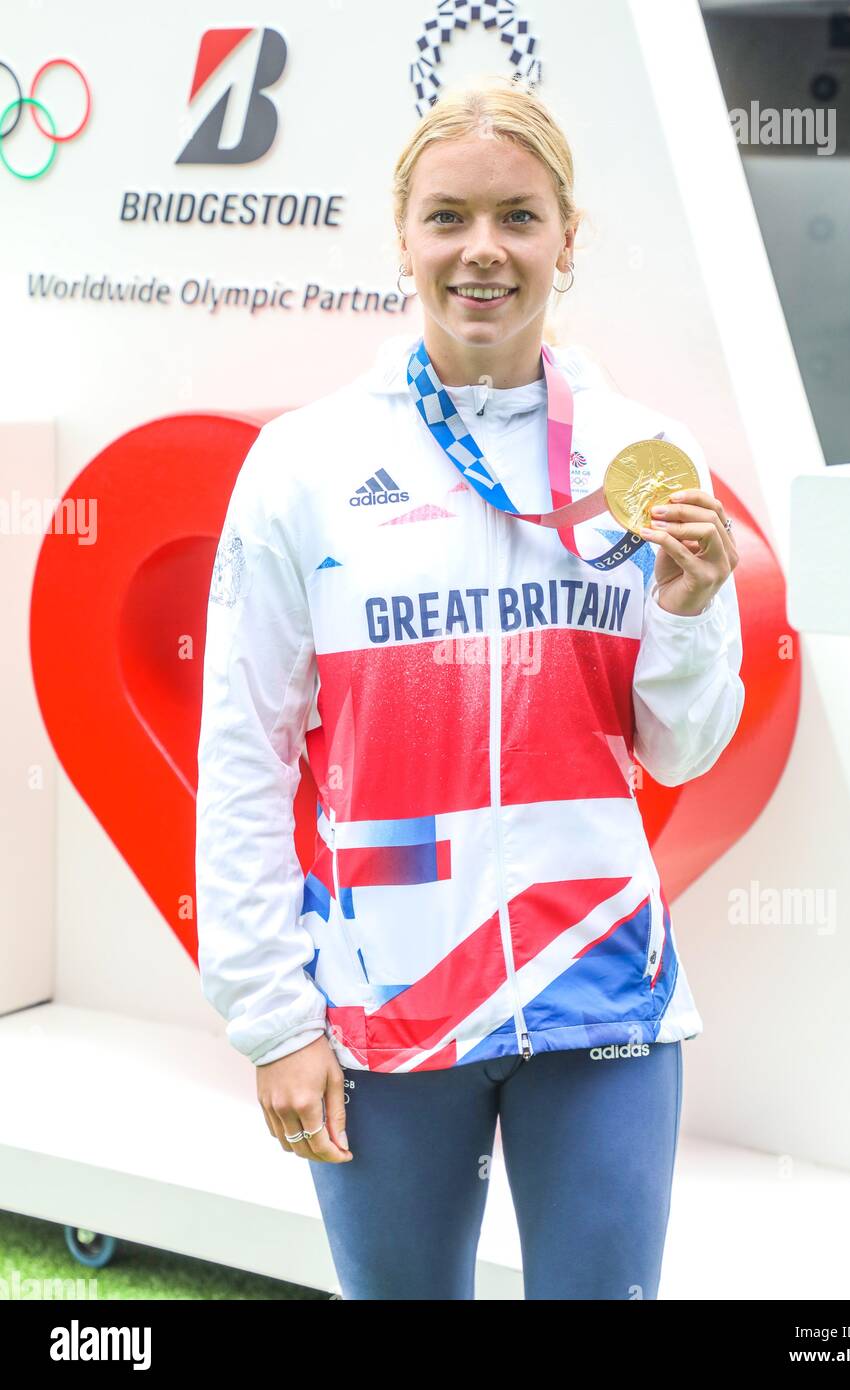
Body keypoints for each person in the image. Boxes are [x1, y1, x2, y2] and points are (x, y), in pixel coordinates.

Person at [194, 76, 745, 1301]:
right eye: (448, 217)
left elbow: (681, 749)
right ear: (403, 236)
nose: (481, 250)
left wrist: (692, 612)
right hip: (388, 993)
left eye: (516, 215)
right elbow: (241, 748)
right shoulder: (304, 464)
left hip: (600, 981)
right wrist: (271, 1016)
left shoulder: (638, 453)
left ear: (565, 237)